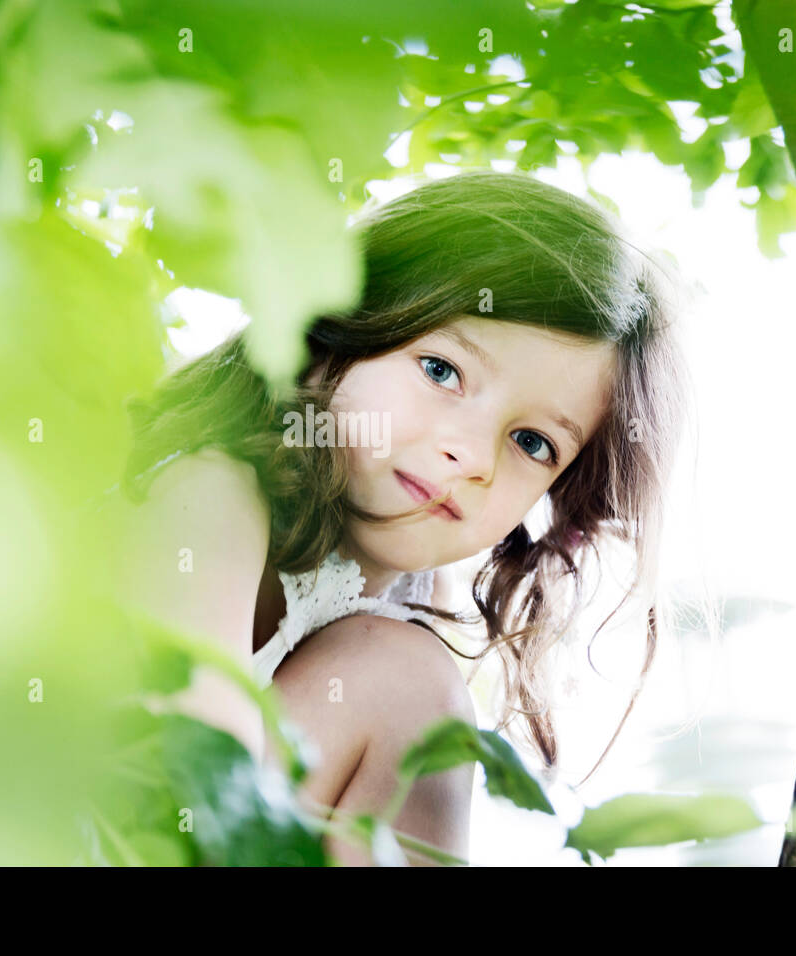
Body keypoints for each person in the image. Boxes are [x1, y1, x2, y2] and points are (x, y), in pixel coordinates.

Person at [119, 168, 696, 865]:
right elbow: (192, 763)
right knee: (408, 689)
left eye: (532, 443)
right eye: (442, 371)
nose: (472, 455)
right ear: (340, 328)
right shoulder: (213, 493)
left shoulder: (405, 607)